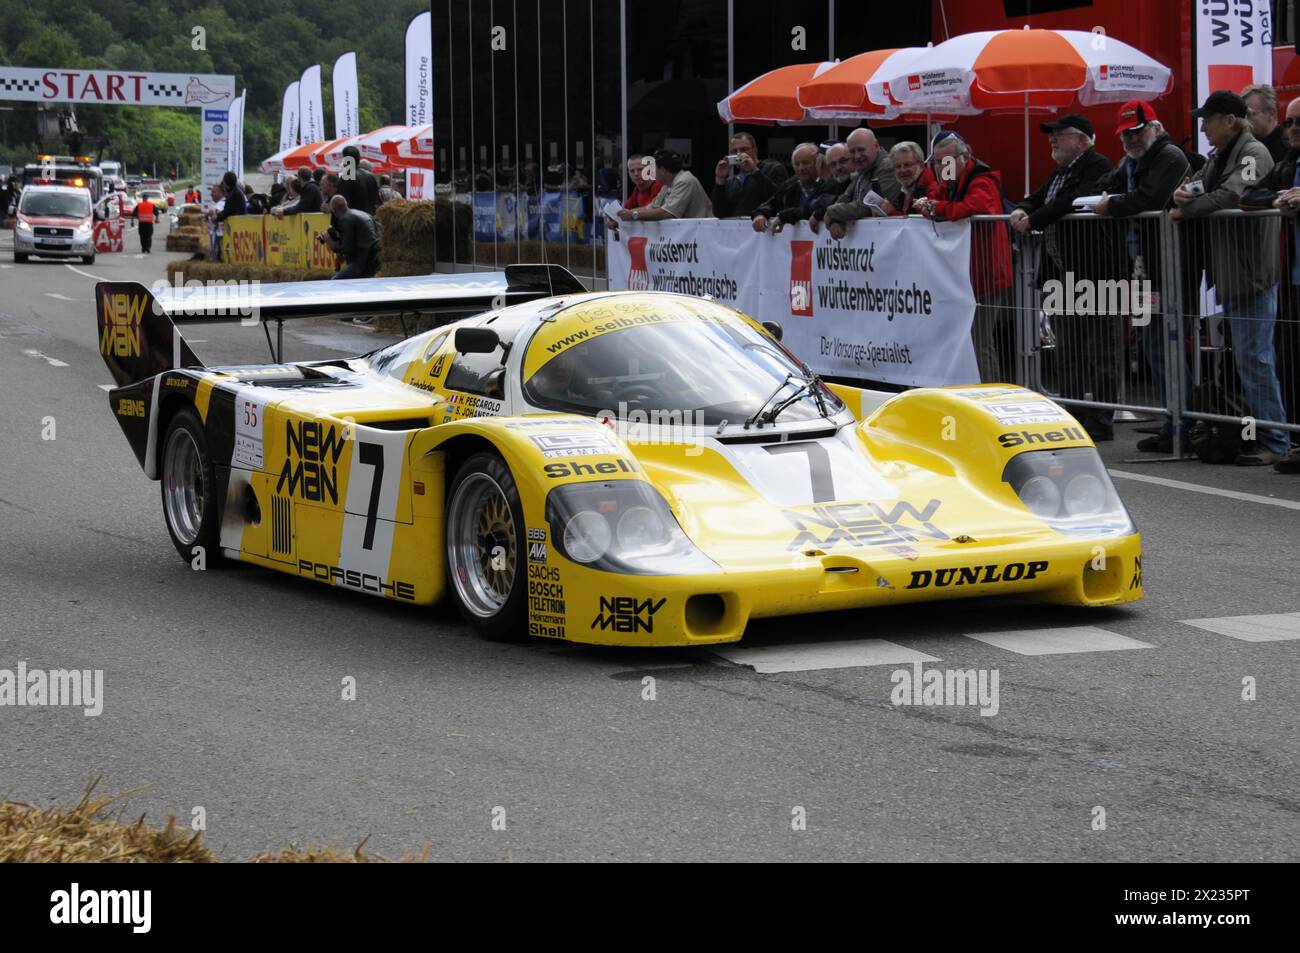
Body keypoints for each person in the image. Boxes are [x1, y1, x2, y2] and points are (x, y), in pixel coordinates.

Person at [1172, 90, 1287, 466]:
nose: (1202, 126)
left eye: (1209, 119)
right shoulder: (1220, 155)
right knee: (1248, 362)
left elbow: (1229, 195)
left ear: (1230, 121)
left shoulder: (1254, 154)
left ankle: (1276, 441)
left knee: (1256, 360)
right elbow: (1200, 186)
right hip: (1235, 273)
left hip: (1252, 273)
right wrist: (1181, 195)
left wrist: (1186, 212)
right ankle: (1265, 437)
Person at [1011, 114, 1115, 439]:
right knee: (1068, 347)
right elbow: (1041, 196)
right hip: (1062, 272)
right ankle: (1074, 412)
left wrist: (1035, 218)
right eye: (1051, 135)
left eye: (1059, 135)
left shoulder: (1097, 166)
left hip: (1096, 272)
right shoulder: (1062, 170)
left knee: (1100, 349)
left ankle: (1101, 421)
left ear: (1082, 139)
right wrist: (1022, 208)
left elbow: (1068, 201)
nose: (1052, 140)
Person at [1095, 101, 1191, 453]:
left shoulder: (1169, 156)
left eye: (1136, 132)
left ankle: (1183, 423)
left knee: (1167, 343)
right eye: (1125, 135)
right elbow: (1106, 183)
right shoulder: (1133, 162)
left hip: (1169, 264)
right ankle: (1173, 422)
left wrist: (1113, 205)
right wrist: (1115, 197)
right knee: (1154, 346)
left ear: (1154, 127)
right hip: (1143, 267)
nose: (1130, 139)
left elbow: (1149, 197)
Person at [912, 131, 1013, 383]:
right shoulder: (954, 176)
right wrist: (930, 204)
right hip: (964, 276)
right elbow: (939, 196)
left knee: (980, 342)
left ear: (964, 156)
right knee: (967, 343)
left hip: (986, 275)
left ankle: (991, 397)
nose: (940, 167)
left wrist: (935, 208)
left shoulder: (981, 179)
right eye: (936, 162)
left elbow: (975, 206)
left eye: (944, 161)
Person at [1241, 94, 1300, 472]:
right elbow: (1249, 196)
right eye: (1291, 123)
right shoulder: (1289, 161)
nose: (1293, 129)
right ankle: (1294, 441)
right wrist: (1281, 197)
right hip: (1292, 278)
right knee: (1291, 360)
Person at [814, 128, 902, 238]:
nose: (856, 156)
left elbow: (868, 206)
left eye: (861, 150)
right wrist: (834, 220)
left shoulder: (887, 167)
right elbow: (845, 198)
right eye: (852, 152)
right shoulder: (864, 169)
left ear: (876, 146)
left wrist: (830, 211)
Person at [750, 143, 835, 233]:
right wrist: (760, 214)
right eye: (796, 164)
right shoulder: (790, 185)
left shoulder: (830, 184)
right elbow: (772, 203)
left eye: (806, 163)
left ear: (817, 163)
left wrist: (784, 216)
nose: (801, 168)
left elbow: (814, 210)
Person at [617, 148, 711, 222]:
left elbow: (667, 213)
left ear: (662, 170)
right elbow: (653, 207)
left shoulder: (684, 181)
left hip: (704, 236)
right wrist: (625, 214)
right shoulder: (667, 184)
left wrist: (634, 215)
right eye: (632, 171)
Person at [711, 132, 786, 218]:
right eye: (734, 151)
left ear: (755, 150)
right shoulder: (732, 181)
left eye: (743, 149)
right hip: (740, 229)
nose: (739, 154)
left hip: (765, 228)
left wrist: (754, 171)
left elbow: (780, 200)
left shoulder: (773, 168)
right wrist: (720, 180)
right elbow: (719, 213)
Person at [324, 194, 379, 279]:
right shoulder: (365, 214)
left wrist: (330, 243)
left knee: (334, 281)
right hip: (375, 258)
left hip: (362, 262)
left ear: (334, 211)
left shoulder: (345, 219)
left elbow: (347, 248)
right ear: (346, 204)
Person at [882, 141, 935, 216]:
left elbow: (918, 224)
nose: (902, 170)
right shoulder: (906, 189)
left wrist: (891, 212)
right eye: (898, 166)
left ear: (921, 165)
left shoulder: (930, 189)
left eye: (907, 165)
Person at [1242, 84, 1288, 163]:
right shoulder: (1244, 146)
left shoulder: (1287, 152)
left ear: (1271, 114)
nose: (1245, 120)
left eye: (1249, 114)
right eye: (1243, 115)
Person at [337, 145, 379, 214]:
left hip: (354, 220)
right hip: (369, 219)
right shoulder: (370, 176)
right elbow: (375, 201)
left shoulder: (348, 176)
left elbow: (342, 203)